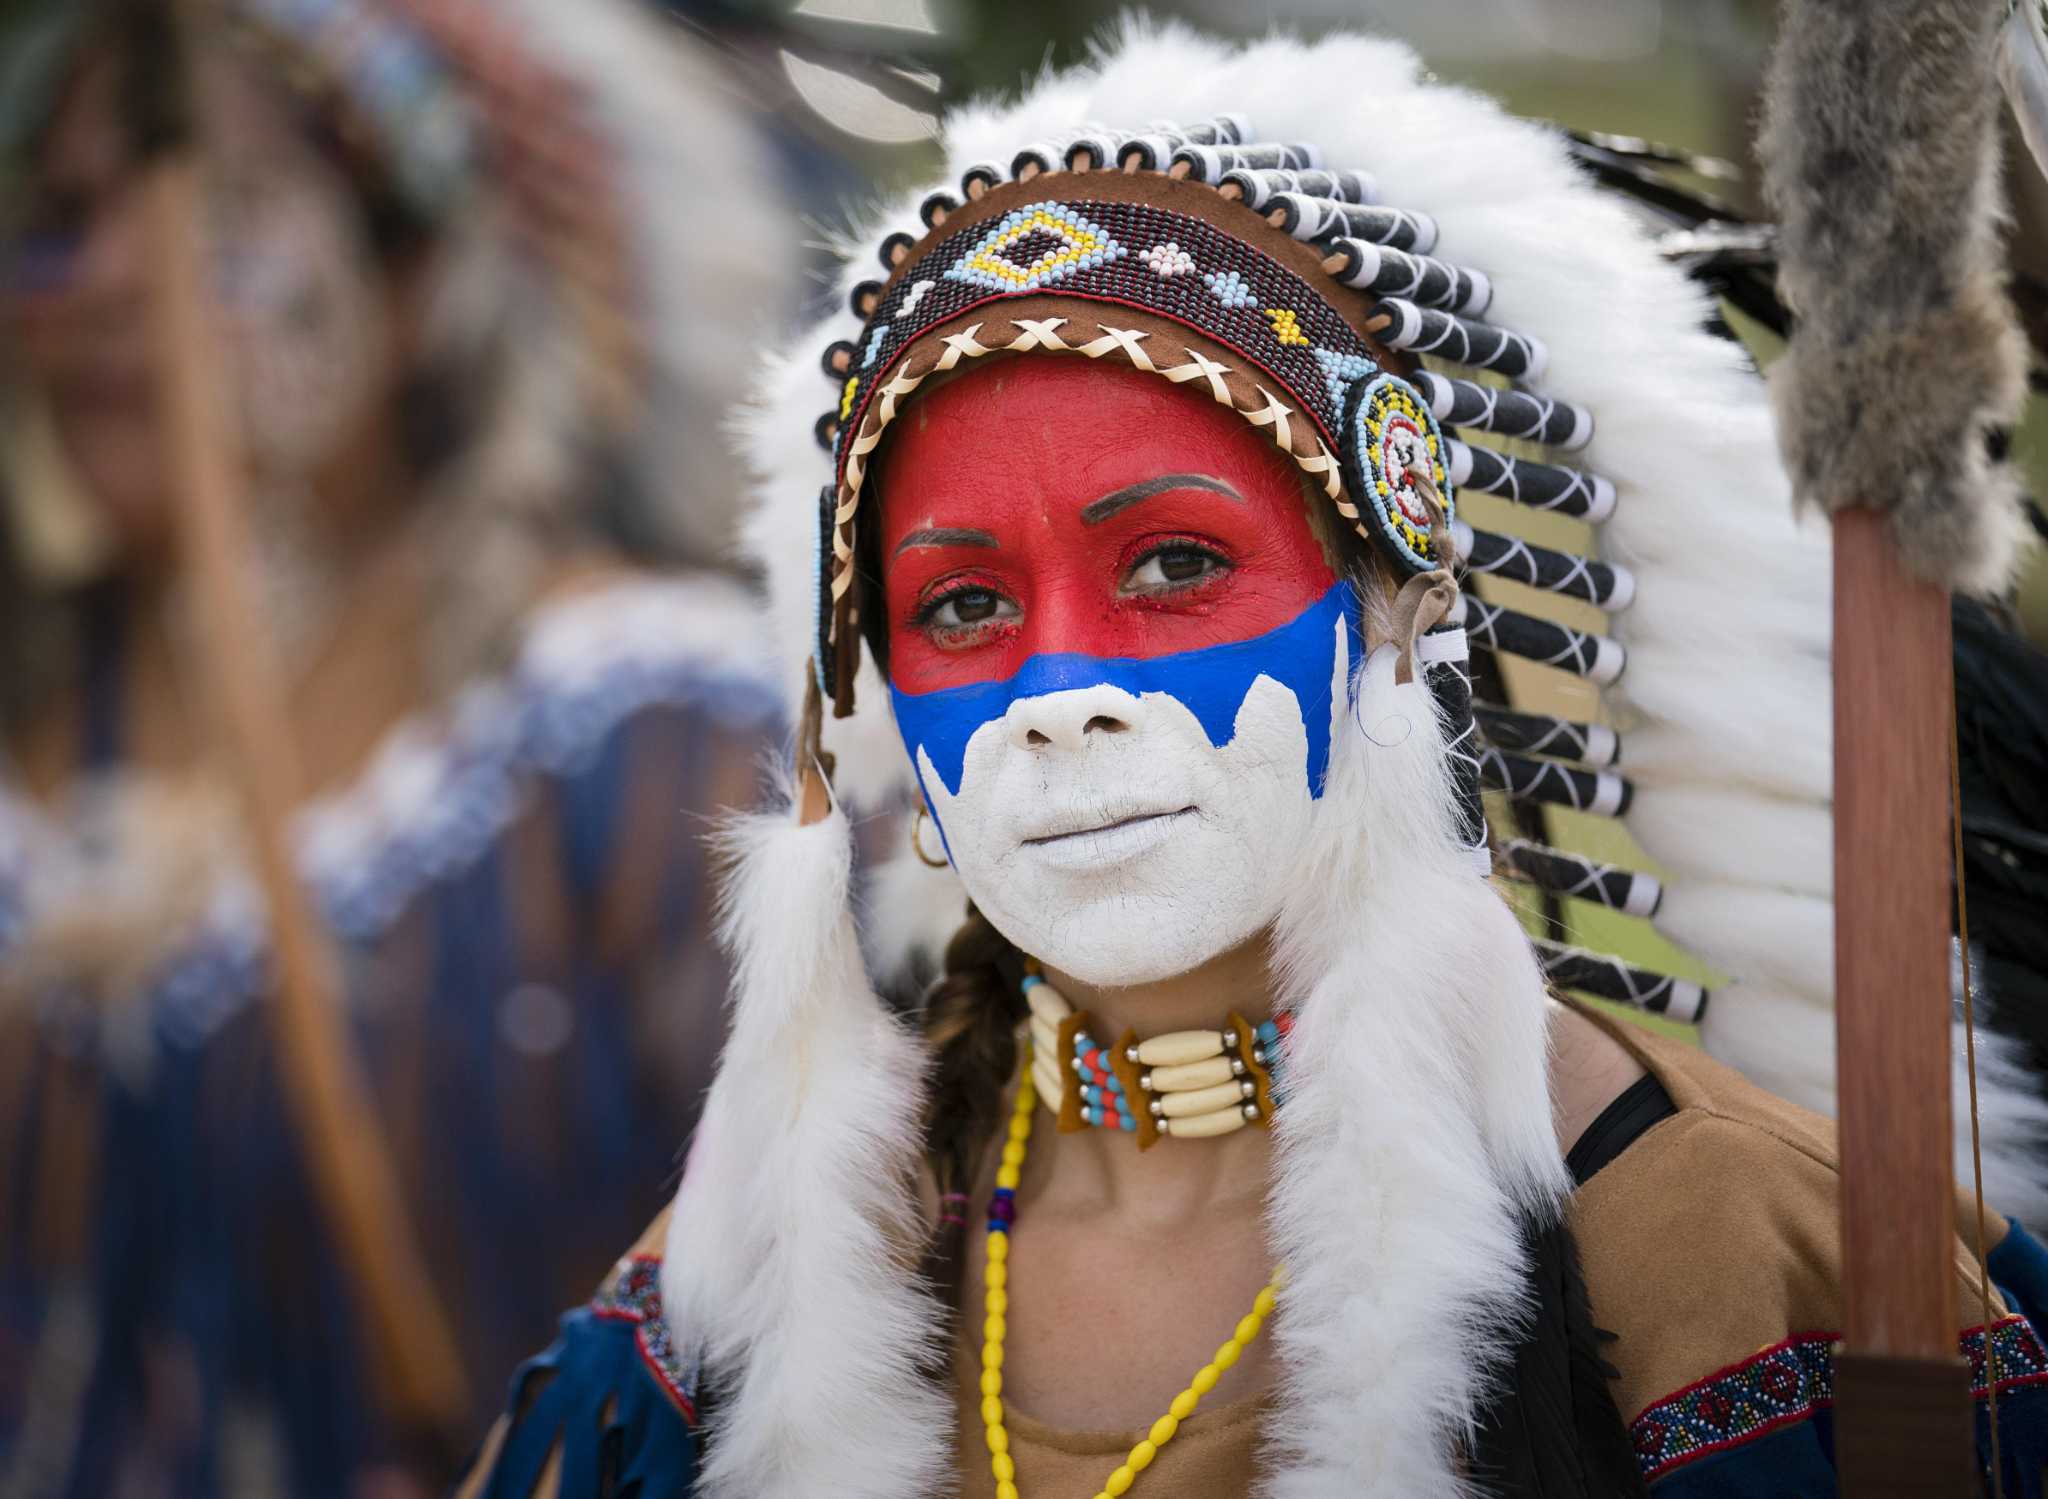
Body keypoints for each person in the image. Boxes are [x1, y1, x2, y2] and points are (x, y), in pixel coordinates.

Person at [458, 22, 2048, 1497]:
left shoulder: (1714, 1251)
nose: (1055, 695)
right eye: (965, 604)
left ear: (1399, 618)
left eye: (1170, 568)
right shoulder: (783, 1242)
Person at [0, 0, 790, 1491]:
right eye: (57, 215)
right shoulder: (30, 731)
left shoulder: (651, 726)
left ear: (424, 274)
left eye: (213, 213)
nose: (102, 281)